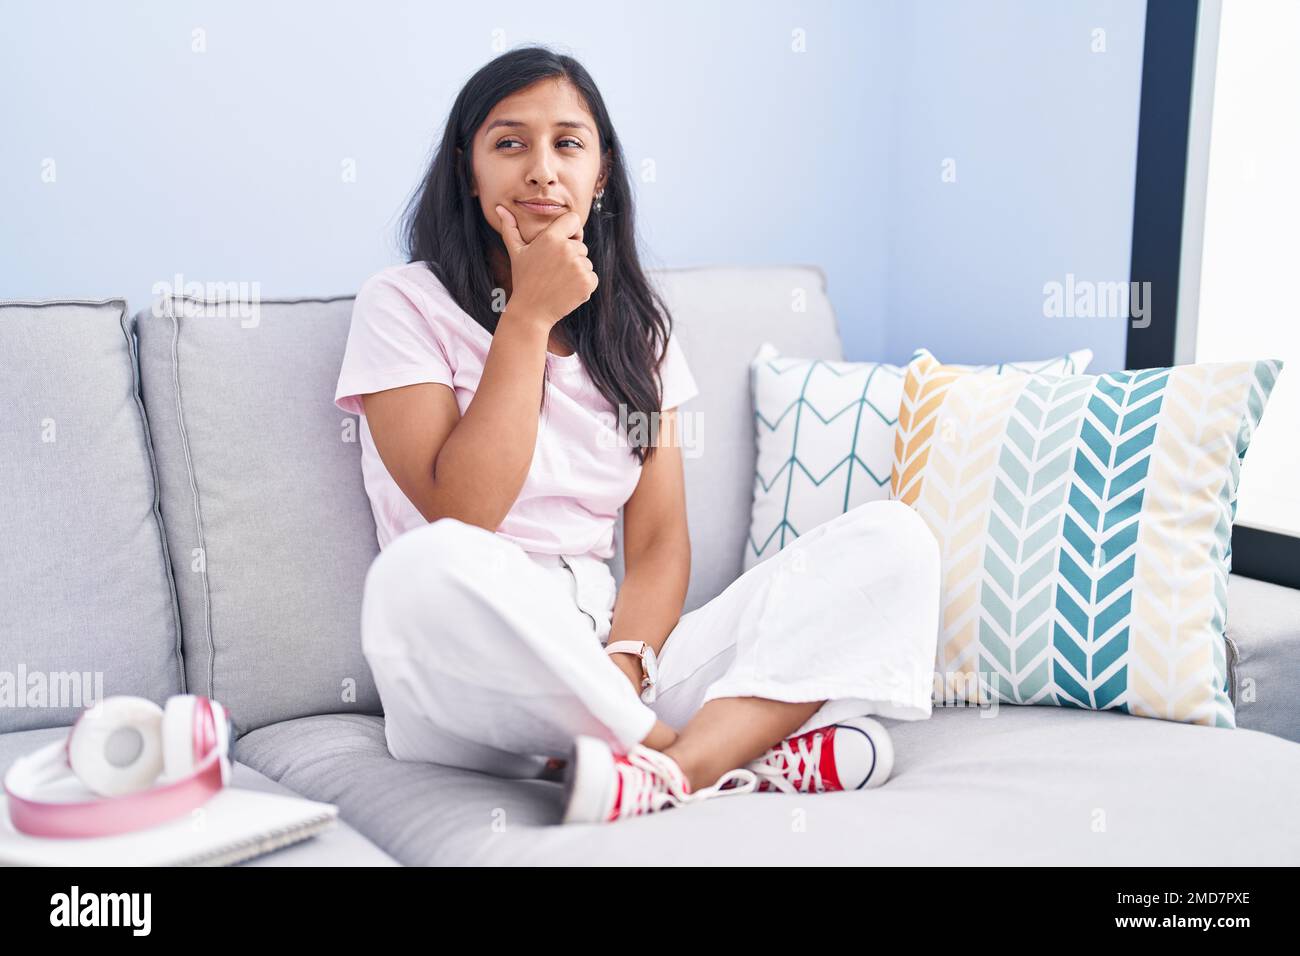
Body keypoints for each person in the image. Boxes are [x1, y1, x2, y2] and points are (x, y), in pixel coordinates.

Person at [334, 46, 941, 825]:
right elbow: (466, 511)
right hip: (477, 669)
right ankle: (712, 753)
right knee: (421, 567)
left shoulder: (637, 331)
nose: (543, 170)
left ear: (603, 172)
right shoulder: (402, 304)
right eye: (509, 142)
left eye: (568, 143)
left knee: (898, 543)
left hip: (619, 657)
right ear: (468, 169)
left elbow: (657, 545)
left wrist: (627, 662)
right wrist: (528, 314)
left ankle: (662, 768)